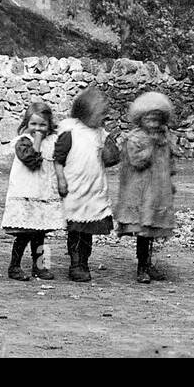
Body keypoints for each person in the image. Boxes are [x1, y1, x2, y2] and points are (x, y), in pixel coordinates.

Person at [53, 88, 121, 283]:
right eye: (100, 115)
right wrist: (61, 180)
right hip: (75, 189)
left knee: (88, 229)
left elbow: (111, 159)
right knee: (76, 229)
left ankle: (83, 261)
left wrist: (110, 147)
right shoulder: (70, 132)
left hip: (94, 190)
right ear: (86, 113)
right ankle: (76, 265)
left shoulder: (100, 134)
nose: (103, 119)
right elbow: (58, 158)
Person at [115, 91, 178, 284]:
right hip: (142, 192)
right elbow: (137, 161)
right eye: (149, 119)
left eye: (157, 119)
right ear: (140, 119)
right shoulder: (136, 138)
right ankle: (142, 265)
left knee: (152, 230)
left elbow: (169, 161)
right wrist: (150, 145)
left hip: (158, 191)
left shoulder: (164, 138)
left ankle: (149, 262)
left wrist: (170, 180)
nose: (153, 123)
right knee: (143, 229)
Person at [1, 99, 66, 280]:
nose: (38, 128)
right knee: (24, 234)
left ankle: (40, 266)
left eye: (42, 125)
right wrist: (37, 139)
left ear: (49, 124)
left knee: (41, 233)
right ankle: (14, 266)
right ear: (27, 124)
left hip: (44, 192)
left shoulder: (53, 140)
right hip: (27, 192)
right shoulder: (23, 142)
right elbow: (32, 161)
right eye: (33, 124)